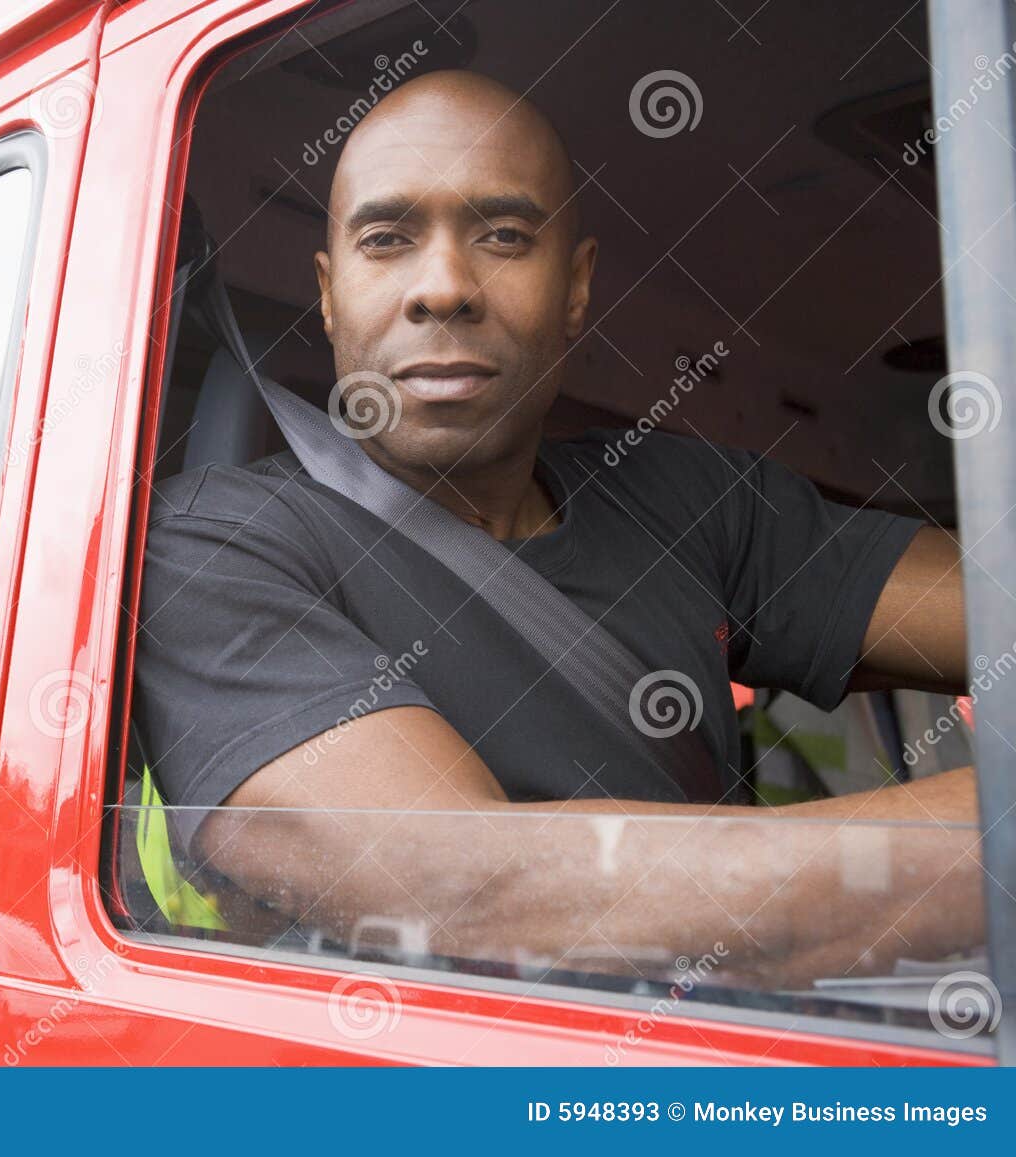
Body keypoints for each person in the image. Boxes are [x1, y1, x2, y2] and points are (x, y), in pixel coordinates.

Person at [131, 71, 980, 985]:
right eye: (387, 240)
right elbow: (462, 889)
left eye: (503, 236)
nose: (445, 287)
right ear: (331, 294)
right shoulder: (211, 548)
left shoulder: (686, 495)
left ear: (575, 288)